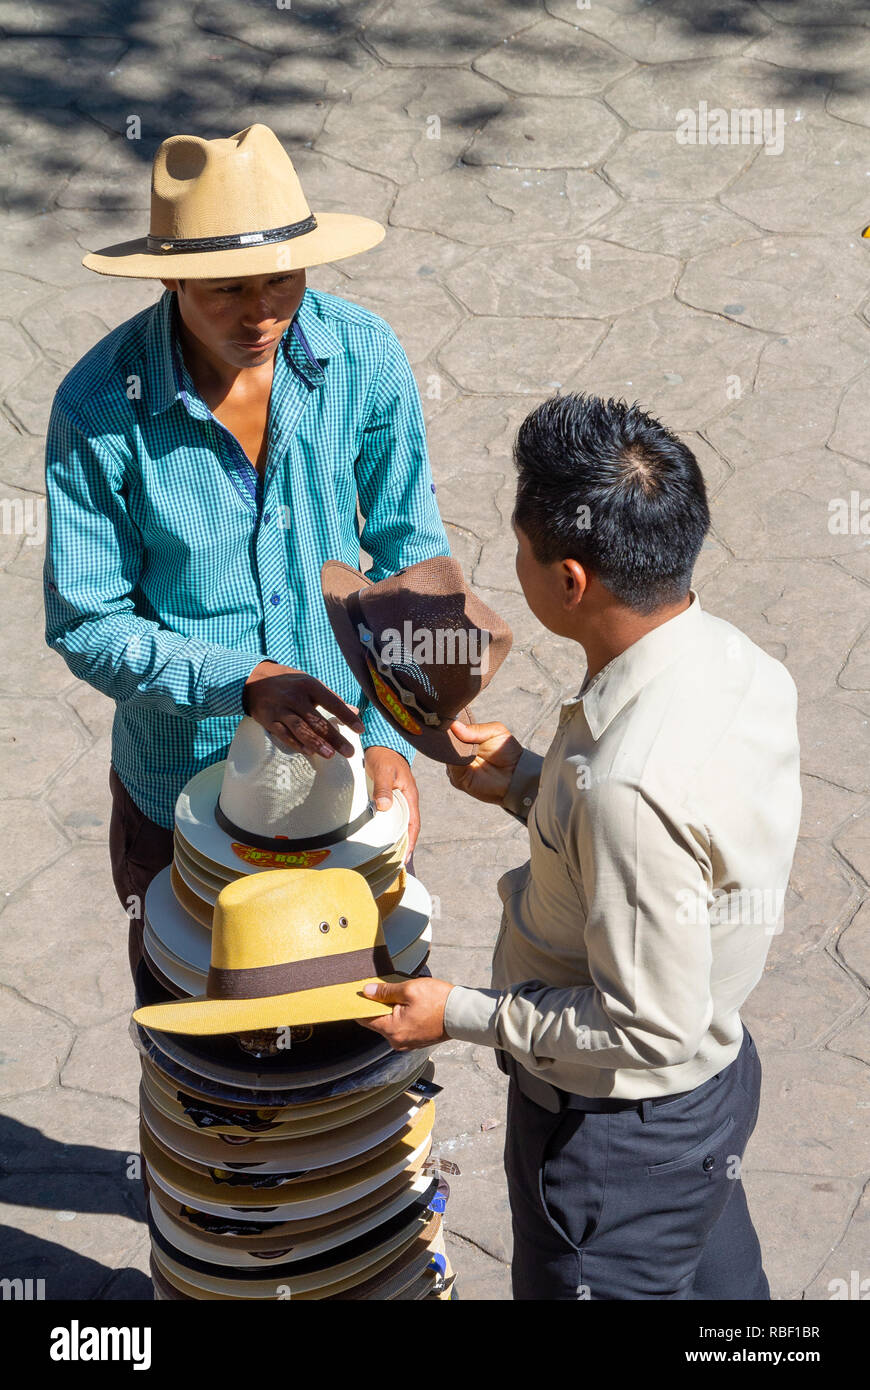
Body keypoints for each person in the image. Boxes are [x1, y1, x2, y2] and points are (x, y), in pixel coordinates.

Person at [360, 392, 802, 1301]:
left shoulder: (632, 784)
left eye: (519, 550)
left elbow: (648, 1026)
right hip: (709, 1100)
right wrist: (528, 780)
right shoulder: (732, 660)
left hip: (618, 1146)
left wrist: (460, 1012)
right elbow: (680, 850)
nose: (508, 565)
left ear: (570, 580)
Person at [43, 124, 448, 977]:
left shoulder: (365, 359)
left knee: (357, 1039)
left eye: (283, 280)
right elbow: (88, 623)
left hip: (349, 778)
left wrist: (391, 740)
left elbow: (415, 562)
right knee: (205, 1046)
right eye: (224, 290)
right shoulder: (97, 407)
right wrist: (245, 682)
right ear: (169, 277)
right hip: (181, 794)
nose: (261, 313)